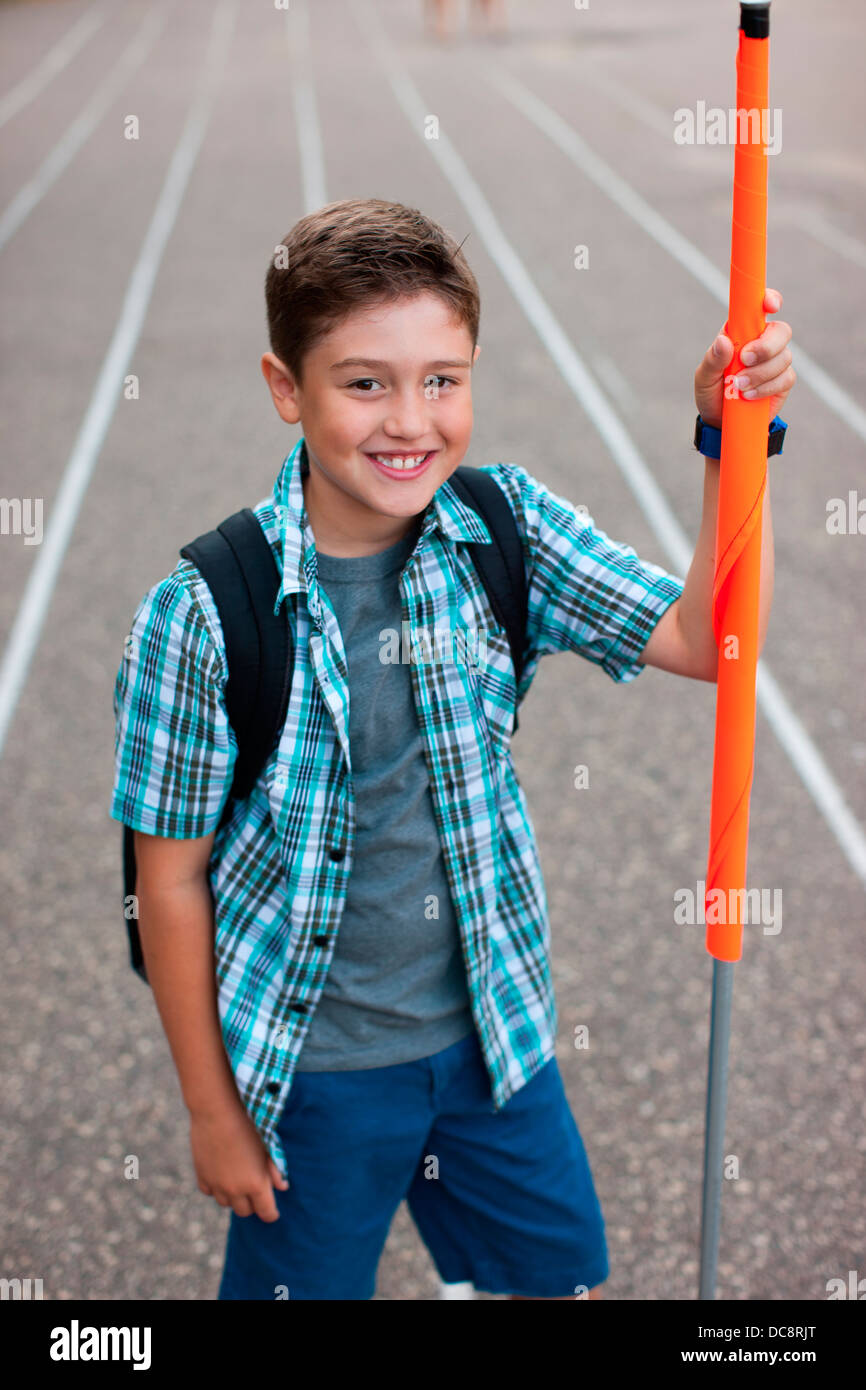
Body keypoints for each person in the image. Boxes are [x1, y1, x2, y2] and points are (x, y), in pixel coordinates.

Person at [110, 197, 795, 1301]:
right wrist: (210, 1110)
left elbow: (709, 640)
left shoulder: (501, 531)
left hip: (494, 1047)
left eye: (442, 379)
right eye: (364, 381)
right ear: (287, 388)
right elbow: (170, 883)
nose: (409, 421)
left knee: (551, 1284)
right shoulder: (202, 614)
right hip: (314, 1073)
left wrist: (730, 438)